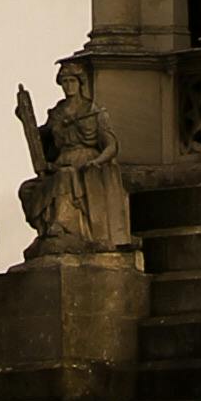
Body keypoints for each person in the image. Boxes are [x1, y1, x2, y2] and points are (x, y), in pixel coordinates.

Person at [15, 53, 130, 252]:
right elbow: (41, 139)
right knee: (27, 189)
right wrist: (25, 118)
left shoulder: (93, 111)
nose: (68, 86)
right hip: (60, 162)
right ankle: (46, 228)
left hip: (85, 163)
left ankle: (62, 226)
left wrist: (98, 161)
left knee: (64, 177)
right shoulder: (57, 113)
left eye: (71, 81)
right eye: (64, 81)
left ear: (80, 83)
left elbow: (110, 144)